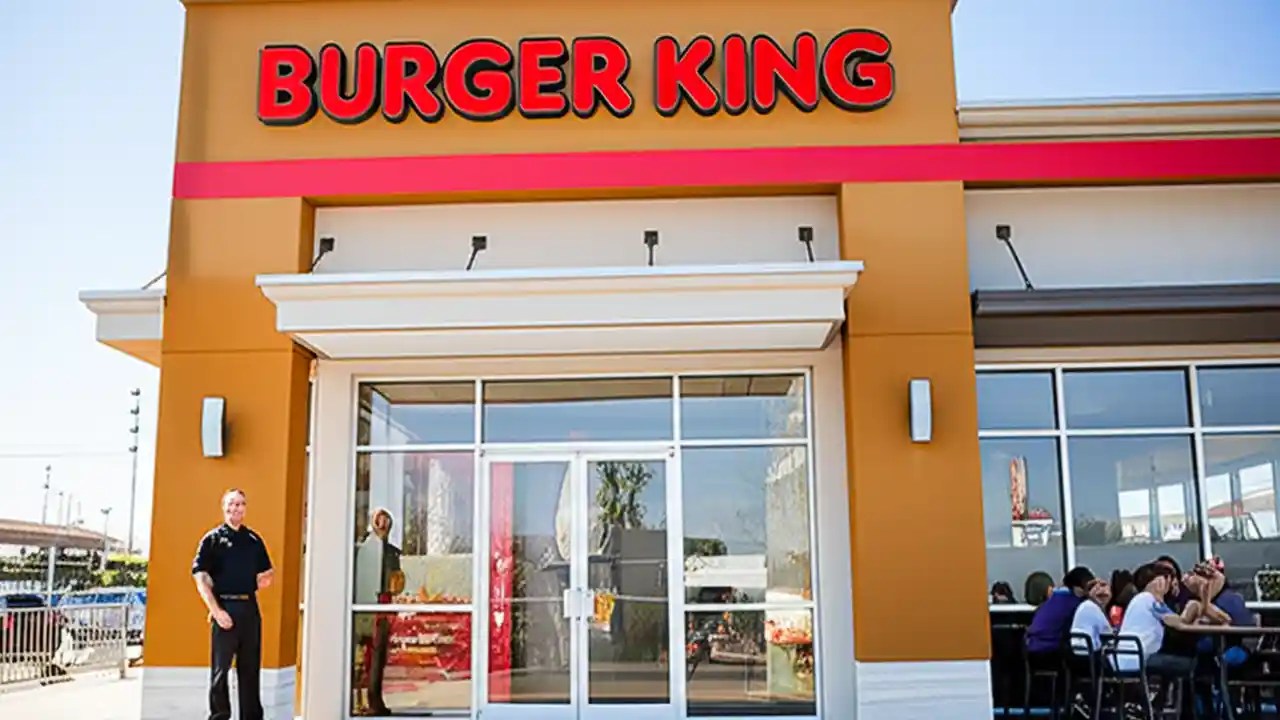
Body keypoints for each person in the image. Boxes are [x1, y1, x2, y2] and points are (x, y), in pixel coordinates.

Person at [191, 489, 274, 720]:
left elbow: (268, 573)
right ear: (223, 507)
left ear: (245, 508)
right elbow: (200, 578)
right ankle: (219, 716)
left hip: (249, 610)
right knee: (220, 672)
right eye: (231, 504)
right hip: (224, 609)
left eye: (240, 504)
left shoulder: (253, 540)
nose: (235, 508)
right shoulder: (212, 540)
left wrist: (254, 580)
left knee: (250, 670)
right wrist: (216, 611)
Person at [353, 508, 405, 716]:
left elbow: (396, 581)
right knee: (359, 658)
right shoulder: (362, 549)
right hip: (364, 604)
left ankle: (375, 701)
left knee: (378, 657)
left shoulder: (392, 552)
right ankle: (355, 702)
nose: (383, 524)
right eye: (379, 520)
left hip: (383, 605)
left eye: (386, 520)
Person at [1026, 566, 1095, 655]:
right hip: (1050, 650)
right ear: (1078, 587)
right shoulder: (1075, 603)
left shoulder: (1055, 598)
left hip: (1032, 647)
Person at [1070, 578, 1113, 657]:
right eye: (1101, 596)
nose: (1104, 599)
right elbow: (1108, 634)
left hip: (1077, 654)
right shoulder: (1092, 608)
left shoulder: (1083, 606)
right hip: (1090, 655)